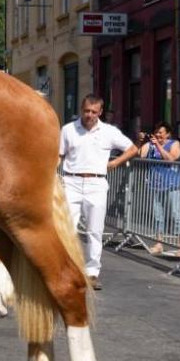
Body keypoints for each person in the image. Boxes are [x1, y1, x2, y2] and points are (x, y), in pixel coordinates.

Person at [59, 94, 137, 290]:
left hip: (96, 184)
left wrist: (116, 162)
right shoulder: (68, 130)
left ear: (100, 112)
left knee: (95, 231)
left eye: (94, 112)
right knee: (66, 228)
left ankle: (92, 273)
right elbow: (59, 155)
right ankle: (66, 269)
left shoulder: (109, 131)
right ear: (81, 109)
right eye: (86, 111)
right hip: (71, 181)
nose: (89, 115)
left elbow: (132, 148)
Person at [139, 122, 180, 256]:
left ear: (168, 134)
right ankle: (159, 243)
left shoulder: (174, 144)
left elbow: (171, 159)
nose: (158, 135)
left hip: (172, 184)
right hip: (156, 184)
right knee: (158, 214)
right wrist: (141, 141)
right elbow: (140, 155)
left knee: (175, 213)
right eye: (156, 132)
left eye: (161, 132)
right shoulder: (150, 145)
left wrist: (159, 146)